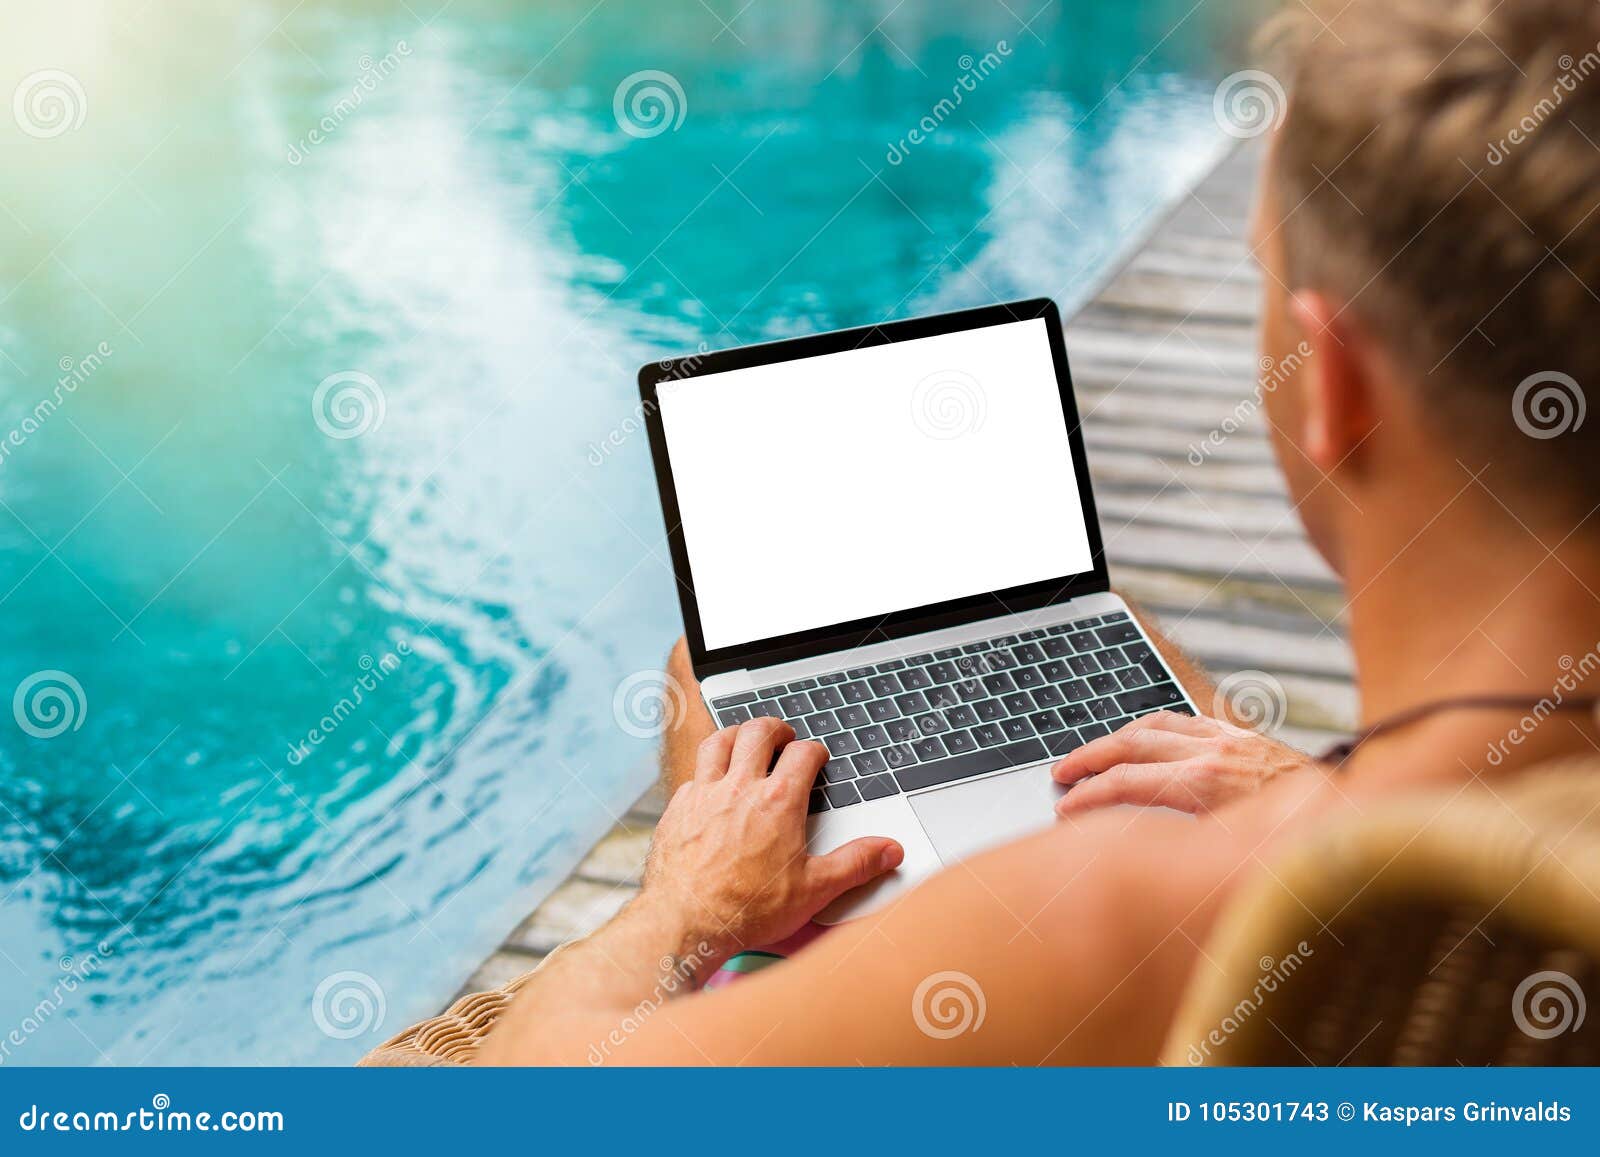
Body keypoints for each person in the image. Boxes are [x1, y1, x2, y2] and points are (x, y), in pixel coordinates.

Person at [478, 0, 1600, 1065]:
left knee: (702, 677)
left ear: (1333, 382)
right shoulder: (1508, 847)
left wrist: (679, 905)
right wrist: (1312, 790)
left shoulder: (1111, 920)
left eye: (1263, 274)